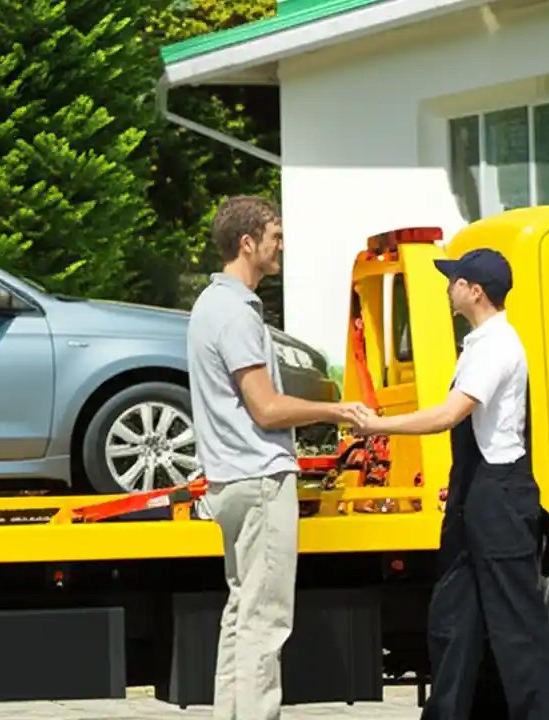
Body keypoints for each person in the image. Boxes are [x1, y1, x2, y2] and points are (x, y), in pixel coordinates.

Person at [351, 247, 549, 719]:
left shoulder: (498, 347)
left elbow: (450, 415)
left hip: (499, 497)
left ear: (474, 290)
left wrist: (377, 426)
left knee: (517, 626)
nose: (447, 287)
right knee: (454, 618)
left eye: (453, 280)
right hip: (475, 494)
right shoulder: (478, 344)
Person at [187, 195, 371, 720]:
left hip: (227, 480)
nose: (282, 245)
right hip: (259, 479)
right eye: (275, 236)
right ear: (247, 243)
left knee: (240, 615)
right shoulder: (237, 312)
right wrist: (337, 410)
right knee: (266, 622)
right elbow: (266, 408)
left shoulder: (207, 305)